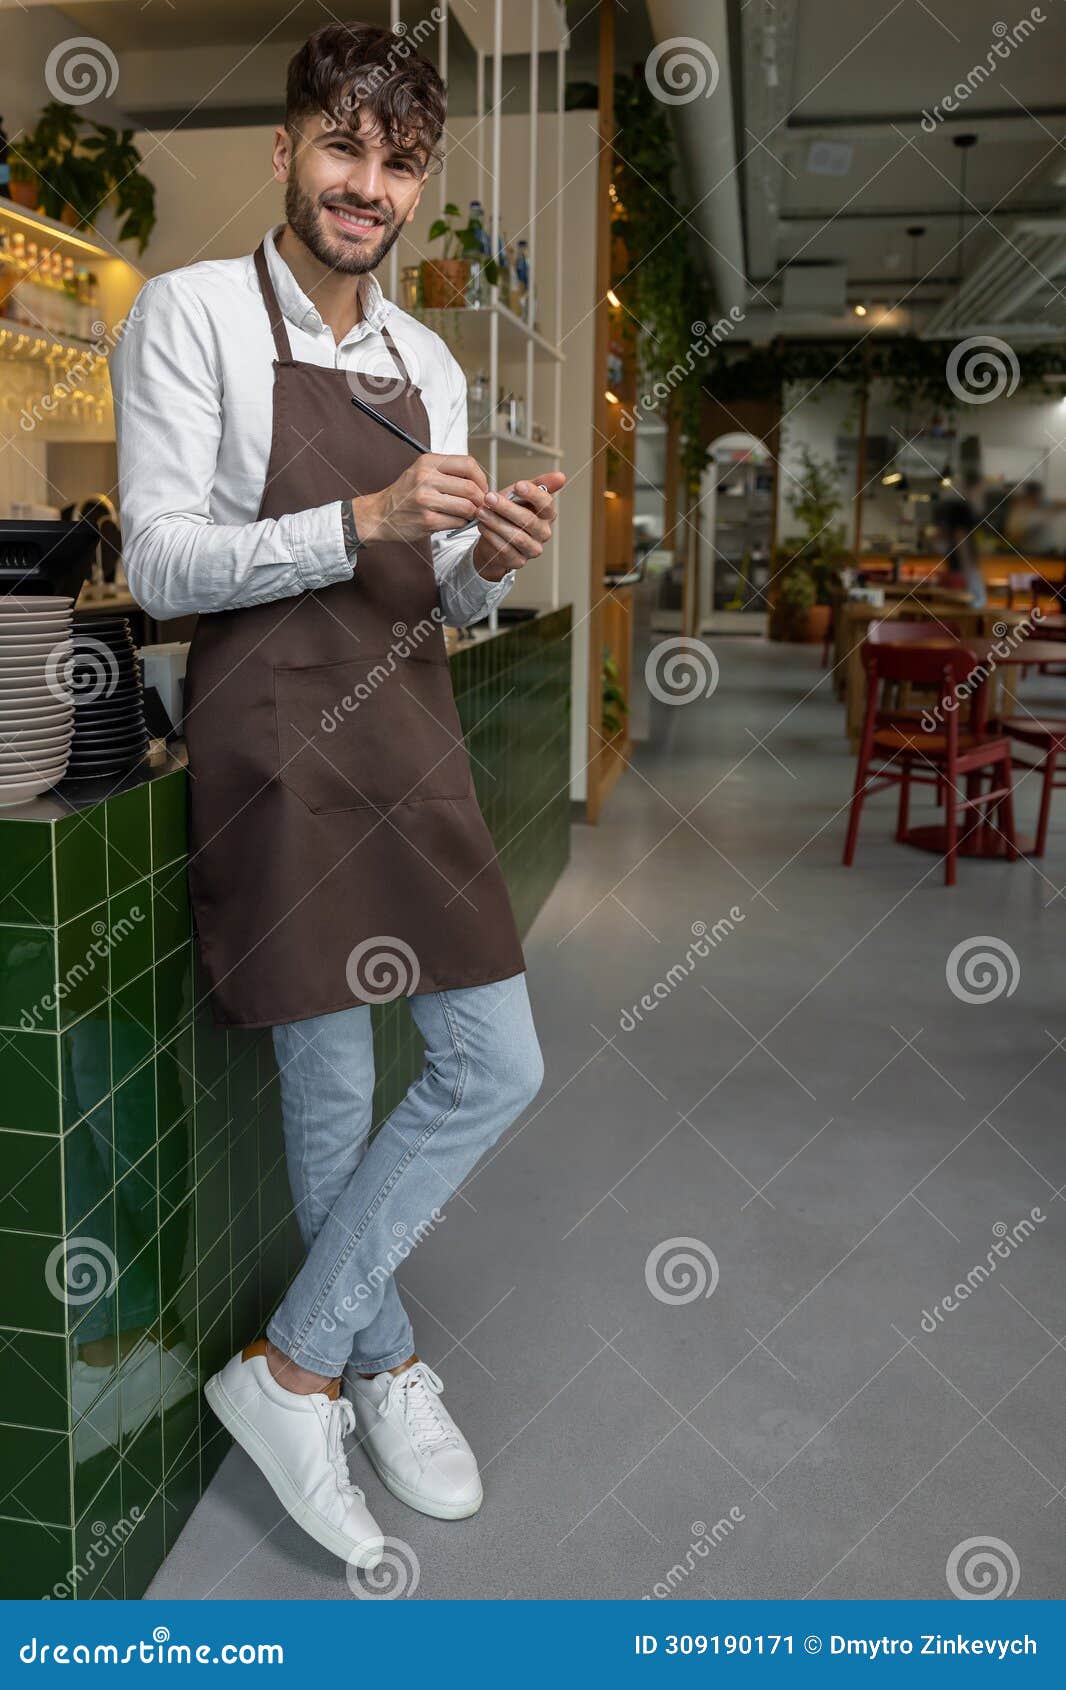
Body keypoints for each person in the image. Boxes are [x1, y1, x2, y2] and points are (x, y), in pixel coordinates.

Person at [111, 22, 566, 1572]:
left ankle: (292, 1364)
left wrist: (478, 561)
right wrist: (358, 508)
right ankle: (375, 1365)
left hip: (401, 719)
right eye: (341, 148)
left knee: (491, 1059)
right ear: (289, 150)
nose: (364, 185)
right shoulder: (187, 317)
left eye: (396, 163)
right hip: (276, 732)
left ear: (417, 184)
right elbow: (160, 561)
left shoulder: (424, 359)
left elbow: (422, 582)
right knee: (327, 1089)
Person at [934, 471, 986, 608]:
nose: (981, 495)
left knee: (961, 605)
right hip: (963, 568)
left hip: (954, 567)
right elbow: (960, 538)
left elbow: (941, 536)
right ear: (973, 488)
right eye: (980, 490)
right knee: (975, 603)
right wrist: (968, 568)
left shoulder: (955, 508)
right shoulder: (965, 509)